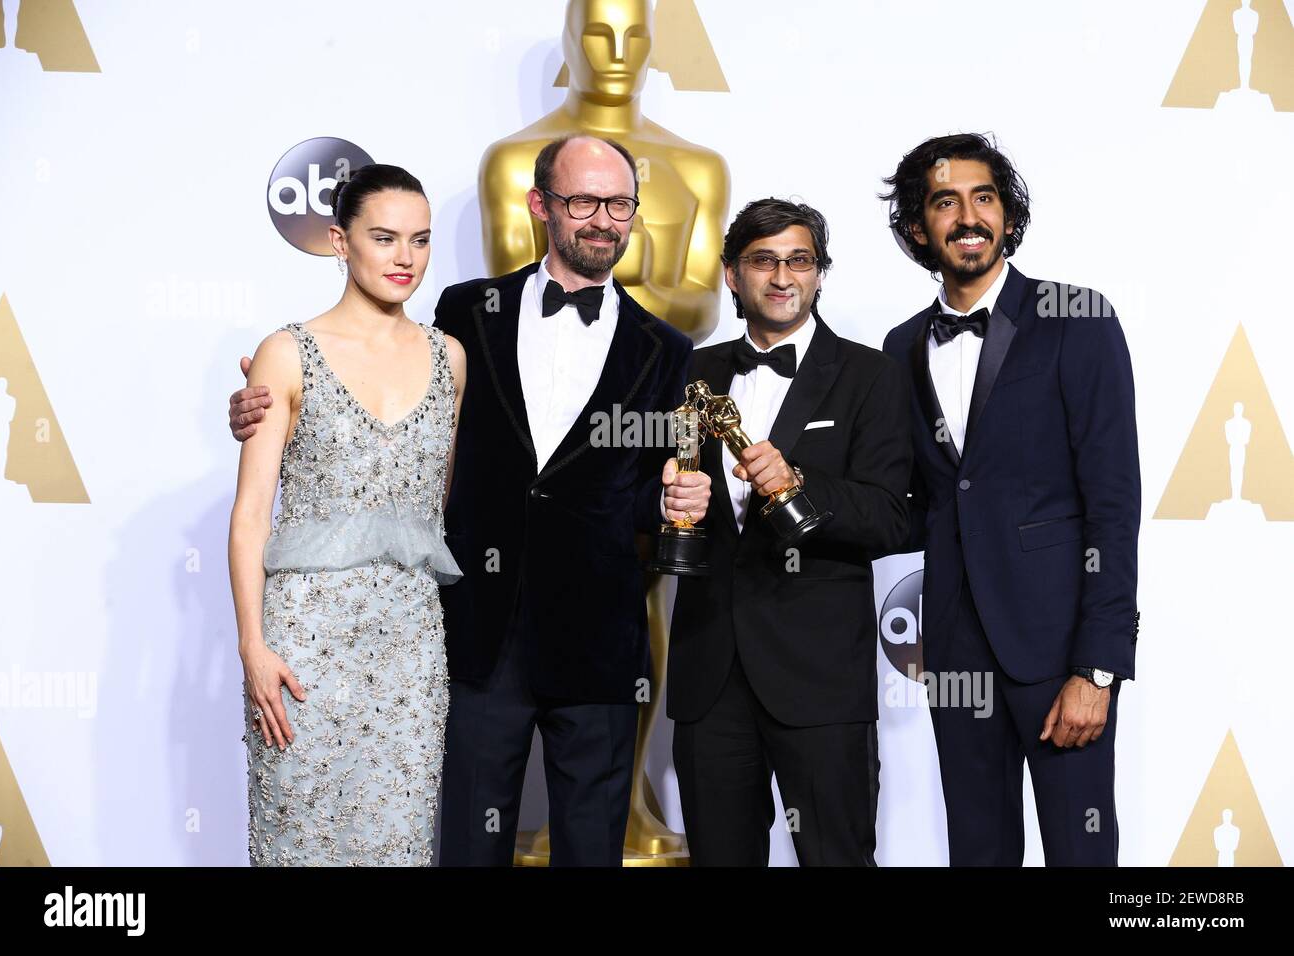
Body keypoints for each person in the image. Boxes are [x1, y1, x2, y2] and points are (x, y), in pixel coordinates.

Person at [230, 136, 710, 866]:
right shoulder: (466, 313)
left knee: (592, 851)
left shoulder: (667, 349)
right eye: (583, 201)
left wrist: (680, 498)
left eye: (620, 204)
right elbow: (382, 411)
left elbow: (647, 493)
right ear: (540, 205)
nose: (603, 221)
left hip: (598, 644)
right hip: (475, 637)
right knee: (462, 851)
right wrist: (257, 408)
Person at [879, 133, 1140, 865]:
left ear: (1008, 217)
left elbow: (1113, 504)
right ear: (916, 228)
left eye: (984, 198)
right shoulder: (900, 348)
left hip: (1061, 656)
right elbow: (914, 503)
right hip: (955, 653)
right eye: (945, 202)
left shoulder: (1077, 318)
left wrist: (1099, 667)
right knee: (978, 852)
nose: (968, 216)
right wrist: (800, 503)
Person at [228, 164, 466, 865]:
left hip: (411, 651)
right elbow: (250, 516)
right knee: (298, 840)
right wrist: (253, 646)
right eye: (385, 238)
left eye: (420, 241)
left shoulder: (450, 357)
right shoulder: (286, 351)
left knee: (399, 843)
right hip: (303, 645)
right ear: (339, 240)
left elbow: (436, 506)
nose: (405, 259)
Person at [667, 198, 911, 866]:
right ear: (731, 276)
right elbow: (647, 495)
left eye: (799, 261)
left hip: (821, 677)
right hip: (709, 672)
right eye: (763, 261)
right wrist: (668, 503)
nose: (782, 276)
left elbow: (892, 514)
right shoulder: (690, 371)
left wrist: (801, 486)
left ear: (820, 275)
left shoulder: (872, 376)